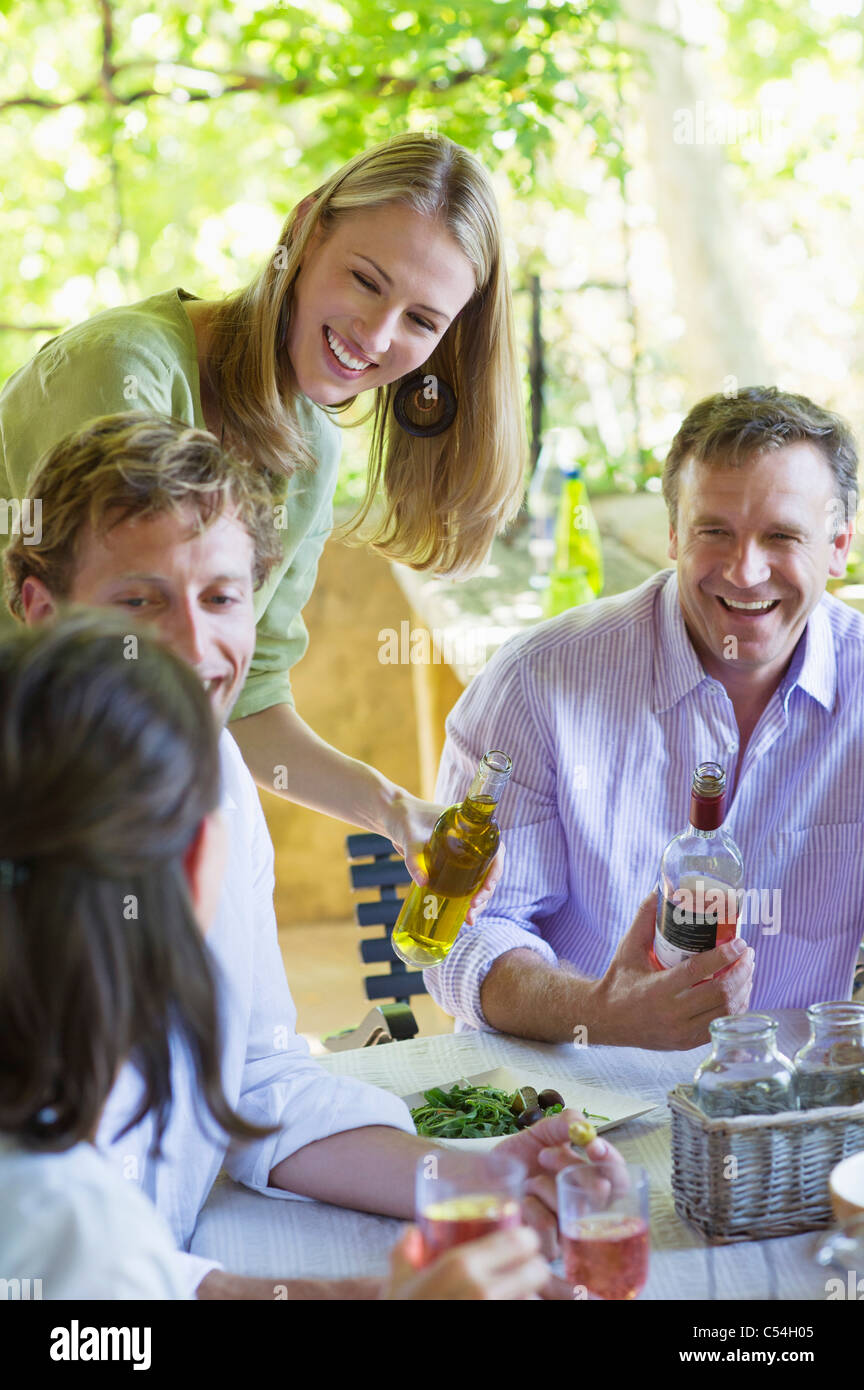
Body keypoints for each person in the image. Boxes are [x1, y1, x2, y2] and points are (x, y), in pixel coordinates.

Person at [3, 412, 619, 1299]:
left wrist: (472, 1179)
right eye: (139, 602)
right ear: (40, 611)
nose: (194, 645)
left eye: (221, 598)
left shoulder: (213, 774)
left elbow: (258, 1074)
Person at [0, 132, 524, 901]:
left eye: (422, 320)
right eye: (366, 280)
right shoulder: (125, 371)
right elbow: (116, 674)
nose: (377, 337)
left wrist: (396, 812)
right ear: (308, 232)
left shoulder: (309, 444)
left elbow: (244, 703)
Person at [422, 387, 864, 1049]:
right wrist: (602, 1012)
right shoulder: (535, 682)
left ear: (838, 548)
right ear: (673, 535)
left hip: (794, 1116)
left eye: (781, 536)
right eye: (714, 531)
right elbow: (456, 939)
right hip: (580, 1101)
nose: (746, 572)